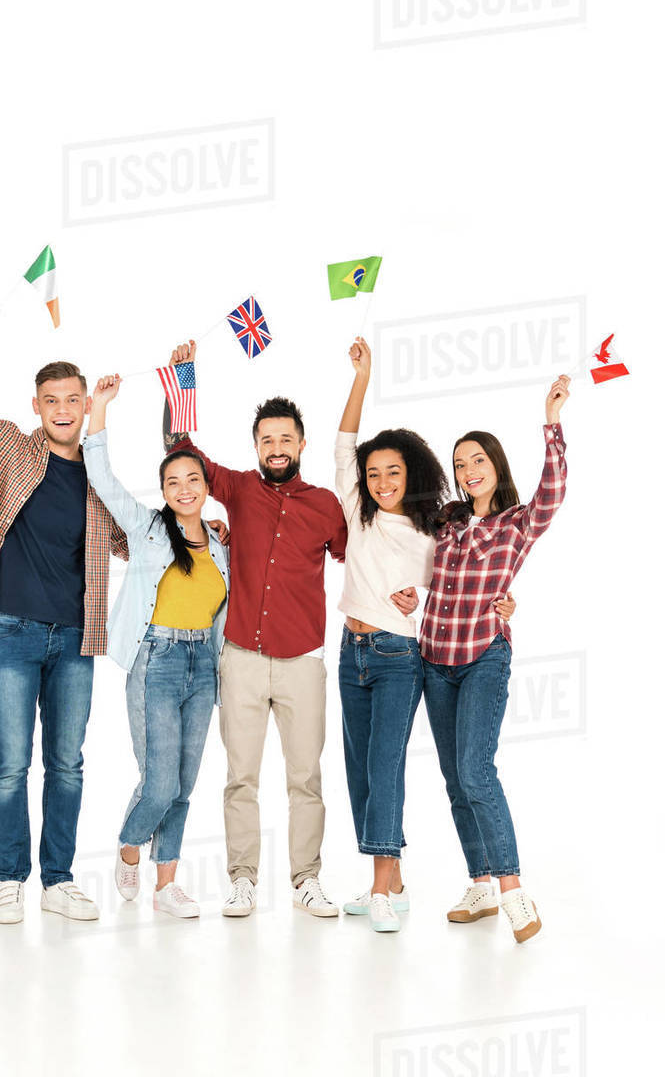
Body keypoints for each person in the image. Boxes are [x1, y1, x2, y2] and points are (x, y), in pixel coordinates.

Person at [0, 308, 128, 925]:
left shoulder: (97, 473)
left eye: (73, 399)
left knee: (67, 763)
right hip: (9, 630)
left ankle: (57, 881)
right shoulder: (7, 445)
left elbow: (130, 539)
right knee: (11, 762)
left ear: (88, 404)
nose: (63, 409)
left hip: (75, 639)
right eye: (51, 400)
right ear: (36, 406)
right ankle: (10, 877)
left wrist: (199, 528)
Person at [335, 339, 515, 933]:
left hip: (398, 656)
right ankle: (397, 882)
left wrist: (499, 604)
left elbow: (462, 582)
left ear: (410, 473)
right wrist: (363, 377)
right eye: (373, 472)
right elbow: (343, 444)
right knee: (359, 769)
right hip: (349, 652)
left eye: (393, 471)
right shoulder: (357, 507)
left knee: (386, 767)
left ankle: (382, 887)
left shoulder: (434, 530)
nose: (382, 480)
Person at [163, 340, 348, 917]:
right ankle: (242, 879)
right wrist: (183, 377)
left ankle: (305, 880)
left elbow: (361, 555)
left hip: (302, 662)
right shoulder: (238, 489)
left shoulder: (325, 505)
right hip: (241, 655)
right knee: (240, 777)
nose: (275, 447)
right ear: (256, 446)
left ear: (300, 444)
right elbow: (184, 454)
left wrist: (404, 586)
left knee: (306, 779)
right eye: (266, 439)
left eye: (285, 438)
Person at [420, 375, 569, 943]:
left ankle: (512, 890)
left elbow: (552, 494)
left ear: (495, 465)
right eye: (460, 464)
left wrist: (551, 422)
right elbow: (419, 566)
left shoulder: (516, 522)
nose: (467, 471)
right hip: (435, 658)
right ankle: (479, 881)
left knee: (477, 769)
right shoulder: (448, 522)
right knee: (455, 777)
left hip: (484, 655)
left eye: (476, 460)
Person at [82, 374, 230, 918]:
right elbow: (100, 475)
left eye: (194, 479)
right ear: (165, 491)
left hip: (203, 668)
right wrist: (99, 409)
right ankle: (128, 845)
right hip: (157, 662)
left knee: (185, 784)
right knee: (159, 781)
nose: (185, 488)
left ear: (206, 487)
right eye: (174, 482)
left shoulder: (220, 545)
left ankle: (166, 884)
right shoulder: (147, 528)